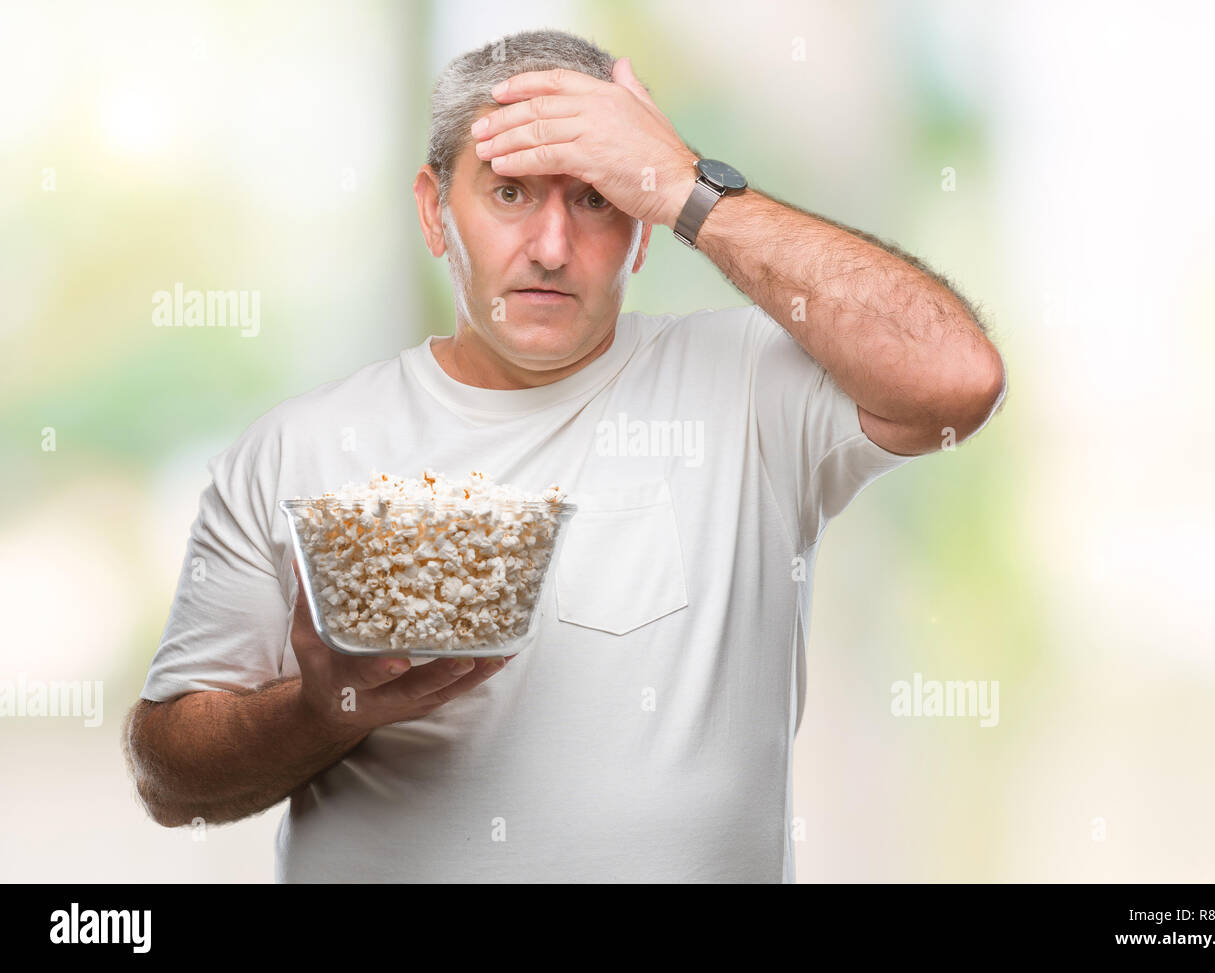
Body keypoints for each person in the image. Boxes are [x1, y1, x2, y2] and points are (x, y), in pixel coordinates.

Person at [124, 27, 1006, 882]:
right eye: (510, 192)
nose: (551, 246)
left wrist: (685, 184)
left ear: (645, 231)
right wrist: (320, 710)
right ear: (436, 213)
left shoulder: (746, 390)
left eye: (596, 198)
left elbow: (958, 377)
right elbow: (169, 778)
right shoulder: (298, 448)